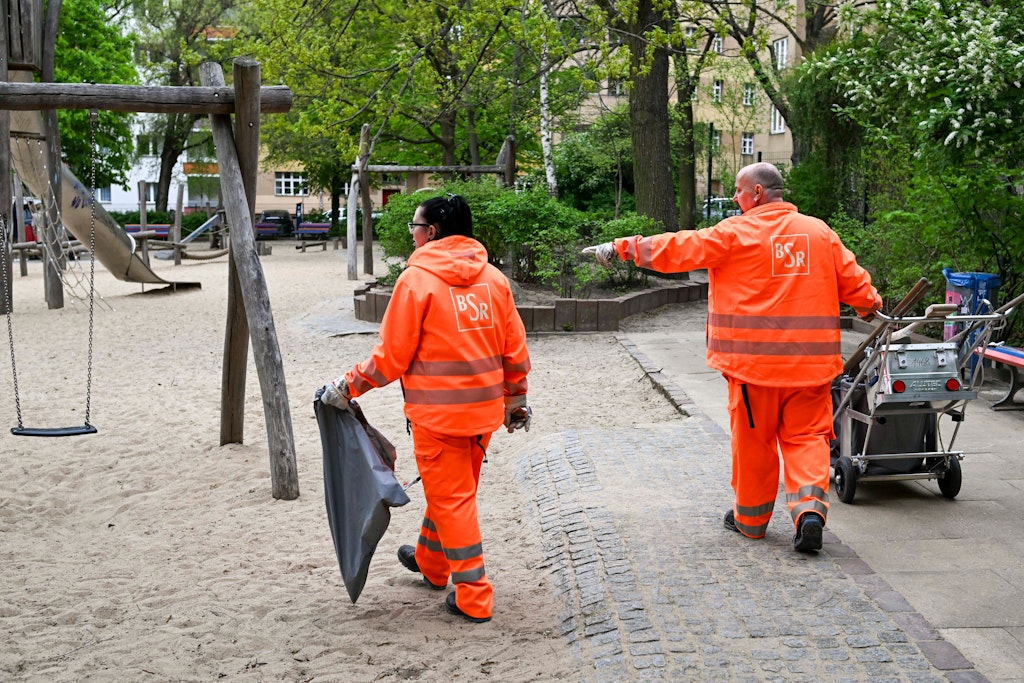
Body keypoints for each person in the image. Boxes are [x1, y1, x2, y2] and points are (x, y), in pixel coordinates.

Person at [584, 162, 881, 552]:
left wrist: (620, 248)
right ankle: (809, 513)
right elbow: (856, 284)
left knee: (754, 445)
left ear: (757, 193)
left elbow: (677, 248)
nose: (735, 200)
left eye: (738, 193)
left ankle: (751, 522)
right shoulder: (818, 232)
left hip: (752, 370)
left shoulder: (735, 234)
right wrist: (869, 303)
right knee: (807, 438)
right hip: (810, 368)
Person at [321, 193, 532, 622]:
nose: (413, 234)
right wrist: (516, 401)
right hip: (483, 415)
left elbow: (390, 359)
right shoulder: (493, 280)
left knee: (452, 498)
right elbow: (514, 350)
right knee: (452, 490)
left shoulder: (416, 281)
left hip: (438, 417)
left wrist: (348, 386)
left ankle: (474, 595)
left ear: (431, 232)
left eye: (415, 227)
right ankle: (432, 563)